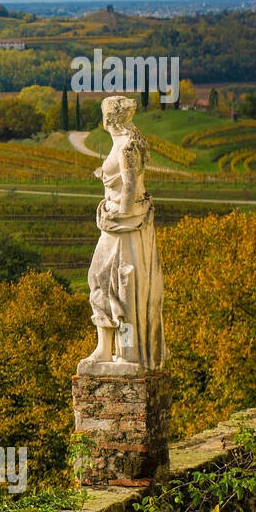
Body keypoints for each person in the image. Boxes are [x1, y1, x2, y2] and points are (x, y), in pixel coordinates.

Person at [80, 96, 167, 372]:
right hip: (119, 221)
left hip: (123, 224)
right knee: (105, 280)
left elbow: (130, 188)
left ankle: (124, 351)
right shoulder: (125, 141)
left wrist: (116, 213)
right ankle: (106, 348)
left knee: (118, 284)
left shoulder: (128, 146)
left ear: (110, 118)